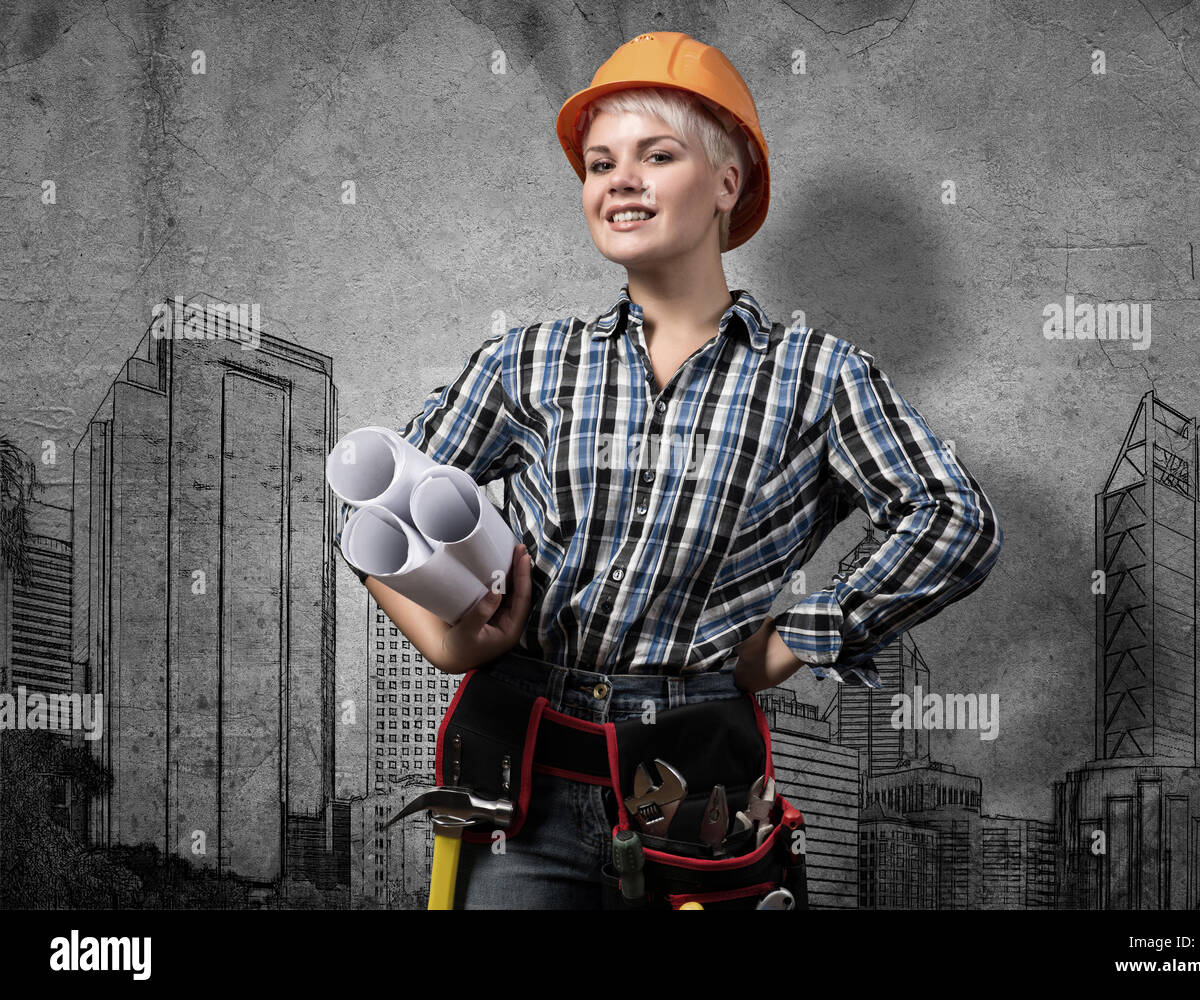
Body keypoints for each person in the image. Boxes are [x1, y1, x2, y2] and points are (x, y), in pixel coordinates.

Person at [335, 31, 1004, 908]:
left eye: (658, 154)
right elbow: (372, 509)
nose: (621, 178)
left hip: (696, 787)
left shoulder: (817, 376)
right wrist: (443, 637)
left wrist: (807, 632)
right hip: (521, 773)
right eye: (600, 160)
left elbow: (953, 517)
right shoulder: (527, 362)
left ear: (728, 183)